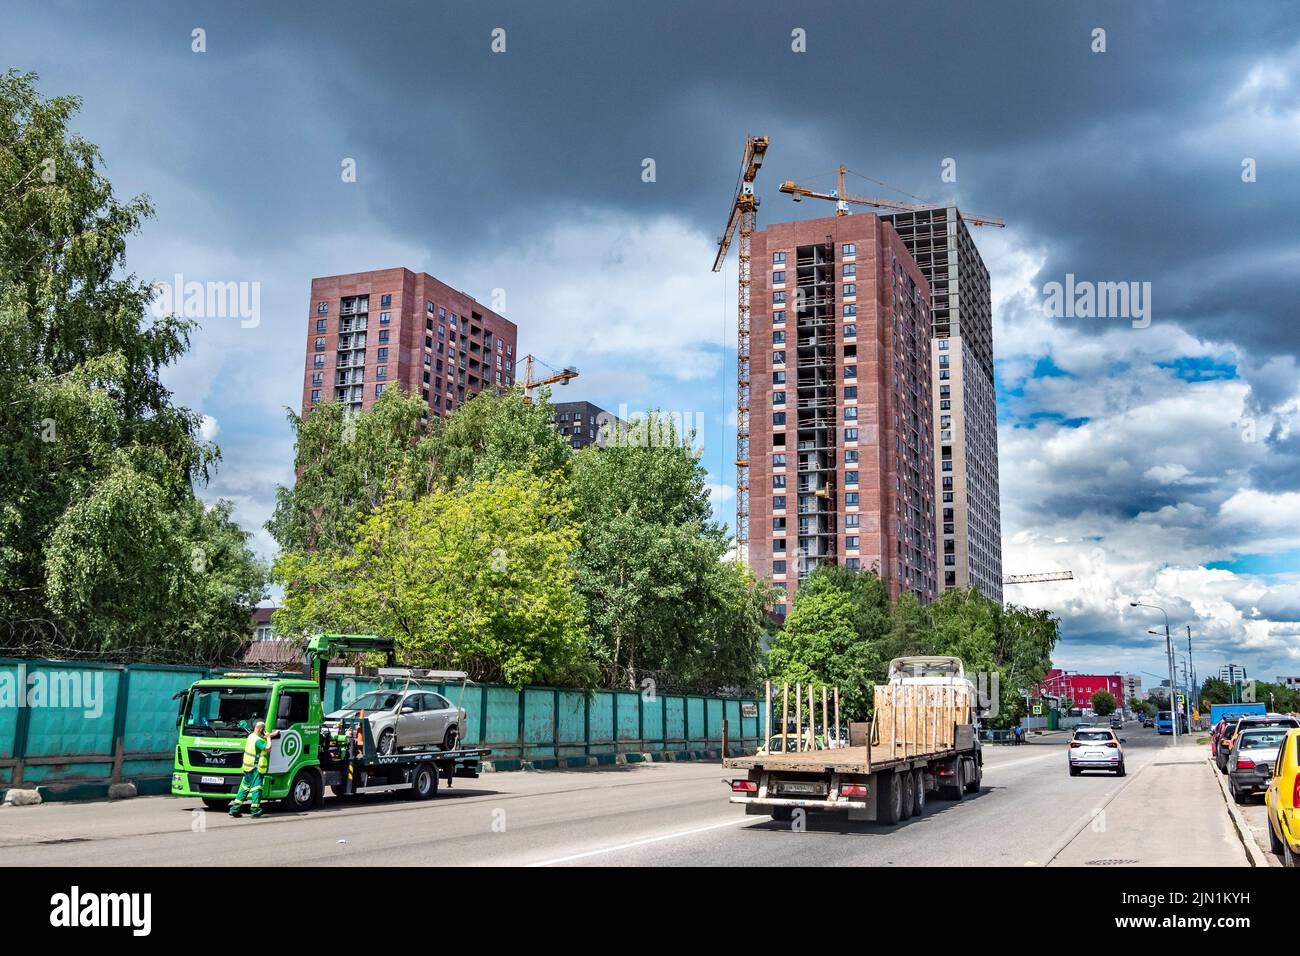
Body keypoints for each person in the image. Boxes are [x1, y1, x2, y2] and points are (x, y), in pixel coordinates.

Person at [229, 720, 280, 818]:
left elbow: (261, 738)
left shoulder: (251, 737)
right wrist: (269, 738)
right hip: (255, 768)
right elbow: (268, 748)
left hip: (247, 767)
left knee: (244, 788)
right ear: (261, 729)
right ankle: (255, 810)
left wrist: (272, 735)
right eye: (263, 730)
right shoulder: (258, 741)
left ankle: (234, 809)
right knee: (257, 789)